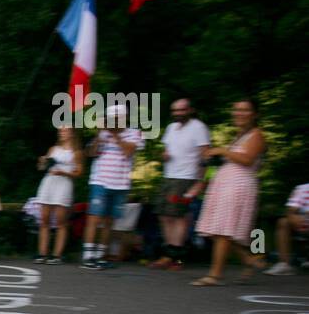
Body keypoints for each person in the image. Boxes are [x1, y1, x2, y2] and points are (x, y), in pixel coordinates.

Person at [192, 99, 266, 286]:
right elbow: (234, 158)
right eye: (236, 110)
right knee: (217, 230)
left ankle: (215, 275)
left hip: (239, 186)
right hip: (225, 185)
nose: (239, 113)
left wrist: (222, 151)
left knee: (224, 231)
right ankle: (249, 260)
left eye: (244, 110)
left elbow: (248, 159)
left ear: (254, 114)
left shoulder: (257, 135)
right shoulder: (240, 136)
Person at [149, 98, 210, 270]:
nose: (177, 113)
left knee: (179, 217)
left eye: (181, 110)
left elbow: (205, 156)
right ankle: (168, 254)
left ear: (190, 110)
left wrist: (199, 182)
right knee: (164, 215)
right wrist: (164, 155)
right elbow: (166, 150)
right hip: (169, 176)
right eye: (175, 110)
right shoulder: (171, 128)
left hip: (186, 177)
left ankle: (178, 258)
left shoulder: (198, 127)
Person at [81, 104, 143, 270]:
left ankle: (100, 256)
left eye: (118, 119)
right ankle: (88, 256)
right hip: (100, 180)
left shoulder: (134, 132)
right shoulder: (102, 133)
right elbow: (90, 153)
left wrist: (115, 135)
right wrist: (98, 137)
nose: (114, 122)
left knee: (109, 221)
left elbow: (129, 152)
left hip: (120, 183)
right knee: (94, 218)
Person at [33, 125, 83, 264]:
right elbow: (42, 168)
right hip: (49, 183)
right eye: (60, 130)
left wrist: (64, 172)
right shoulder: (53, 149)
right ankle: (42, 253)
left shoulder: (76, 152)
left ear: (72, 133)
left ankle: (57, 255)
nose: (62, 133)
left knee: (61, 221)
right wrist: (42, 162)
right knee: (44, 219)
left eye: (66, 130)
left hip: (64, 184)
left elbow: (79, 172)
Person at [266, 182, 309, 275]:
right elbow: (291, 211)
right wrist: (294, 217)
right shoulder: (302, 189)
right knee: (283, 222)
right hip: (304, 224)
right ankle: (284, 265)